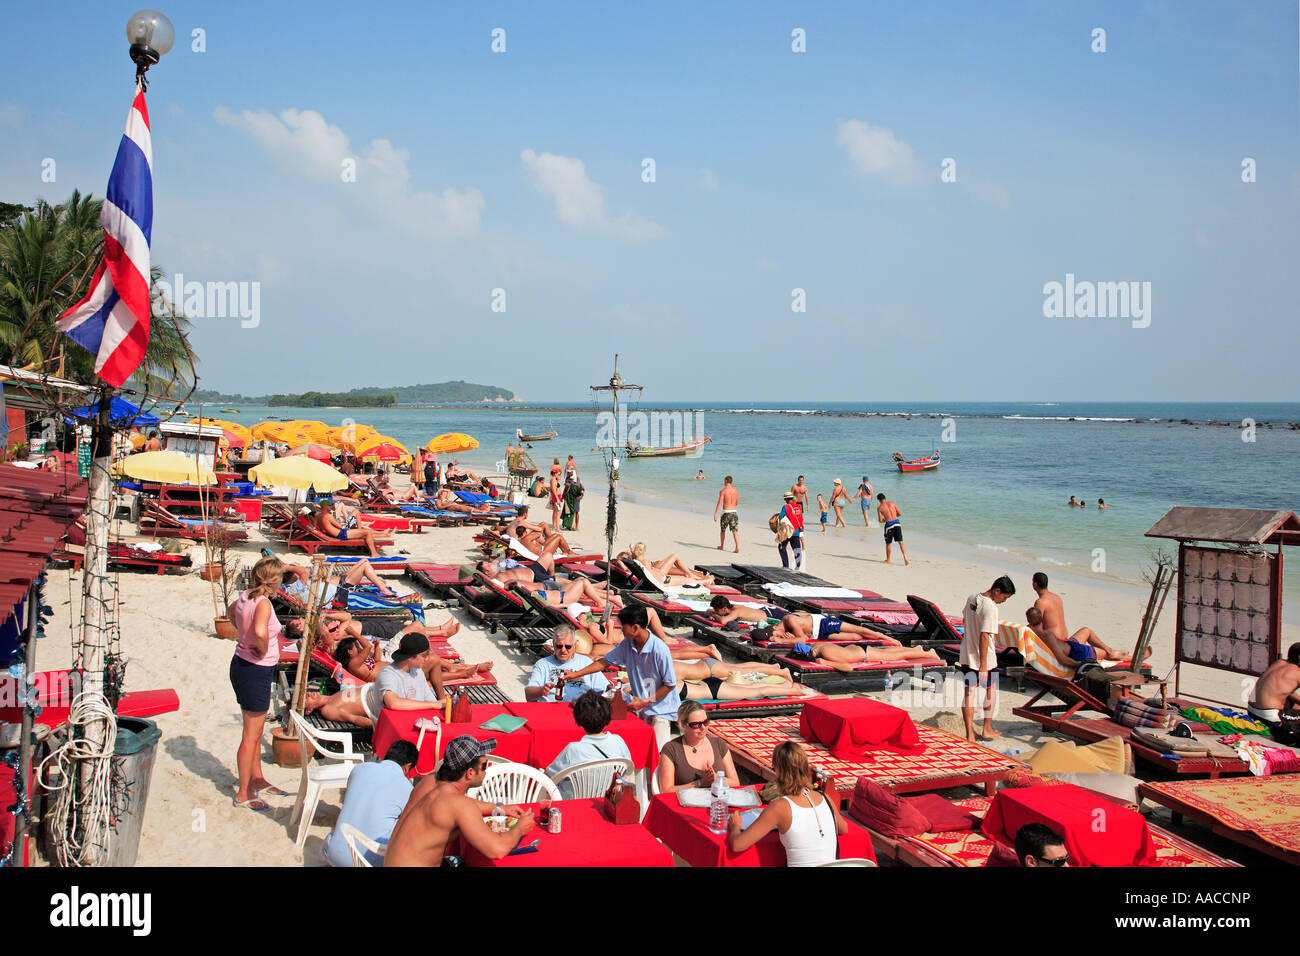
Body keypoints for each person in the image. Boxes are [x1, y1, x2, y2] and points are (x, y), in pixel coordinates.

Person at [385, 737, 534, 866]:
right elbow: (497, 849)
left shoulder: (430, 782)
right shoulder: (460, 805)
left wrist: (500, 808)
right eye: (484, 765)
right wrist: (520, 828)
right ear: (470, 773)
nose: (486, 771)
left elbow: (460, 805)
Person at [560, 605, 679, 747]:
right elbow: (604, 662)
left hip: (661, 710)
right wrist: (576, 674)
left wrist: (645, 701)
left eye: (623, 627)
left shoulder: (659, 650)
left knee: (657, 754)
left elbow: (670, 684)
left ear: (635, 628)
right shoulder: (628, 644)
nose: (621, 630)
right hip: (642, 706)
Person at [229, 556, 289, 812]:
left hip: (242, 666)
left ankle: (256, 778)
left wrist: (244, 637)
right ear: (276, 581)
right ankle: (243, 793)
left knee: (252, 731)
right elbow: (262, 632)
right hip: (255, 670)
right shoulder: (263, 603)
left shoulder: (245, 596)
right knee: (251, 736)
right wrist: (260, 648)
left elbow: (231, 612)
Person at [728, 741, 847, 866]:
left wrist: (736, 826)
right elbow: (843, 829)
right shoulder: (826, 799)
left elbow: (737, 845)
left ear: (779, 771)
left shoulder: (779, 807)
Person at [322, 739, 418, 866]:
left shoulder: (359, 769)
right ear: (407, 767)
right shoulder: (407, 789)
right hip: (369, 861)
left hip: (333, 855)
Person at [545, 692, 633, 797]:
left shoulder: (573, 749)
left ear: (579, 719)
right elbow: (627, 770)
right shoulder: (618, 741)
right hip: (607, 799)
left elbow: (548, 777)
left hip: (574, 802)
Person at [961, 575, 1015, 742]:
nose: (1003, 601)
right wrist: (983, 665)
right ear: (997, 591)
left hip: (967, 653)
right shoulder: (991, 607)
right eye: (1004, 597)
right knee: (990, 690)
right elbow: (984, 636)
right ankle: (986, 729)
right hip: (984, 658)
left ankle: (969, 733)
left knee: (969, 693)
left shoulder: (972, 597)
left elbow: (965, 619)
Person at [333, 634, 492, 690]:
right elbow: (366, 646)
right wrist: (354, 634)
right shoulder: (353, 664)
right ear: (349, 651)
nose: (359, 647)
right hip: (395, 675)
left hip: (394, 669)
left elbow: (376, 661)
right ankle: (464, 672)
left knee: (429, 668)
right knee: (430, 664)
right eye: (356, 646)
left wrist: (376, 647)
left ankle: (464, 670)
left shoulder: (358, 662)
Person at [656, 701, 740, 793]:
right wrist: (699, 783)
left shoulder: (719, 744)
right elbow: (666, 791)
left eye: (705, 722)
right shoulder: (671, 749)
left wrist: (718, 779)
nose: (703, 727)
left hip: (717, 802)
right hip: (685, 805)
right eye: (696, 724)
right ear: (684, 725)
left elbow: (735, 783)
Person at [1024, 607, 1141, 666]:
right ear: (1041, 618)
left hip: (1070, 645)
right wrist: (1080, 665)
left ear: (1028, 619)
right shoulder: (1046, 635)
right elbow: (1062, 659)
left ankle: (1111, 650)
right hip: (1076, 652)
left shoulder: (1028, 630)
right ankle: (1134, 658)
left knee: (1086, 630)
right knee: (1105, 655)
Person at [366, 634, 452, 714]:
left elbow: (430, 700)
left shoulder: (417, 671)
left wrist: (437, 704)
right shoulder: (388, 674)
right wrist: (433, 705)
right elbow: (392, 703)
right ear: (410, 657)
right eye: (424, 655)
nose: (427, 659)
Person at [525, 626, 609, 701]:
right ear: (553, 645)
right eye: (559, 646)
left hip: (581, 711)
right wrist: (542, 690)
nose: (563, 650)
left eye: (568, 646)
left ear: (575, 645)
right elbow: (528, 694)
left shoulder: (586, 662)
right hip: (550, 710)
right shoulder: (543, 664)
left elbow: (604, 689)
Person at [279, 556, 400, 604]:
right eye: (295, 571)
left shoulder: (296, 585)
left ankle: (379, 584)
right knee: (365, 565)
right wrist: (289, 567)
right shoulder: (293, 588)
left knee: (364, 561)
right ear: (292, 576)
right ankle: (382, 588)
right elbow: (304, 571)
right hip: (341, 589)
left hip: (341, 583)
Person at [1247, 644, 1300, 727]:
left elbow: (1283, 690)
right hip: (1268, 716)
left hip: (1251, 711)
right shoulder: (1298, 673)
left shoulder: (1279, 663)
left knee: (1294, 704)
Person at [314, 504, 384, 557]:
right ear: (325, 506)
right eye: (330, 506)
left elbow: (315, 527)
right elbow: (339, 527)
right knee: (367, 532)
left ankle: (381, 535)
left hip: (336, 533)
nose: (331, 507)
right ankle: (374, 553)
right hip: (341, 534)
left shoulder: (317, 516)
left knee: (363, 531)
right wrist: (344, 525)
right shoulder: (327, 516)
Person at [1030, 572, 1068, 646]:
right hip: (1065, 639)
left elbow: (1036, 625)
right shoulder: (1057, 598)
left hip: (1053, 640)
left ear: (1035, 584)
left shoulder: (1040, 602)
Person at [876, 493, 908, 565]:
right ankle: (905, 558)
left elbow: (880, 520)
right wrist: (893, 517)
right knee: (901, 542)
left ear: (879, 500)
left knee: (888, 543)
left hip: (889, 525)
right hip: (897, 523)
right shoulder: (892, 503)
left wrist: (886, 519)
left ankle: (888, 560)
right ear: (885, 498)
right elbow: (899, 513)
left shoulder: (880, 508)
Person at [777, 492, 805, 571]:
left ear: (785, 499)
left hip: (788, 532)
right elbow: (800, 518)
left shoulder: (786, 507)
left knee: (781, 547)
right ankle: (798, 566)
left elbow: (780, 518)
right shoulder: (799, 506)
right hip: (797, 531)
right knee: (796, 549)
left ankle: (785, 566)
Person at [714, 475, 740, 552]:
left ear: (725, 481)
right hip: (734, 513)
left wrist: (716, 513)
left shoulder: (723, 491)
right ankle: (737, 547)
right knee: (734, 531)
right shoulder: (736, 491)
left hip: (726, 513)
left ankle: (722, 546)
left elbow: (719, 503)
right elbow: (737, 502)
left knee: (723, 530)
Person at [549, 461, 563, 531]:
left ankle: (554, 526)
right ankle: (557, 528)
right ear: (555, 473)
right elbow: (554, 490)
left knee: (555, 512)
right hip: (556, 496)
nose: (559, 474)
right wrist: (557, 498)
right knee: (558, 512)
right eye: (558, 473)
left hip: (557, 496)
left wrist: (559, 480)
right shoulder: (553, 480)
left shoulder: (555, 479)